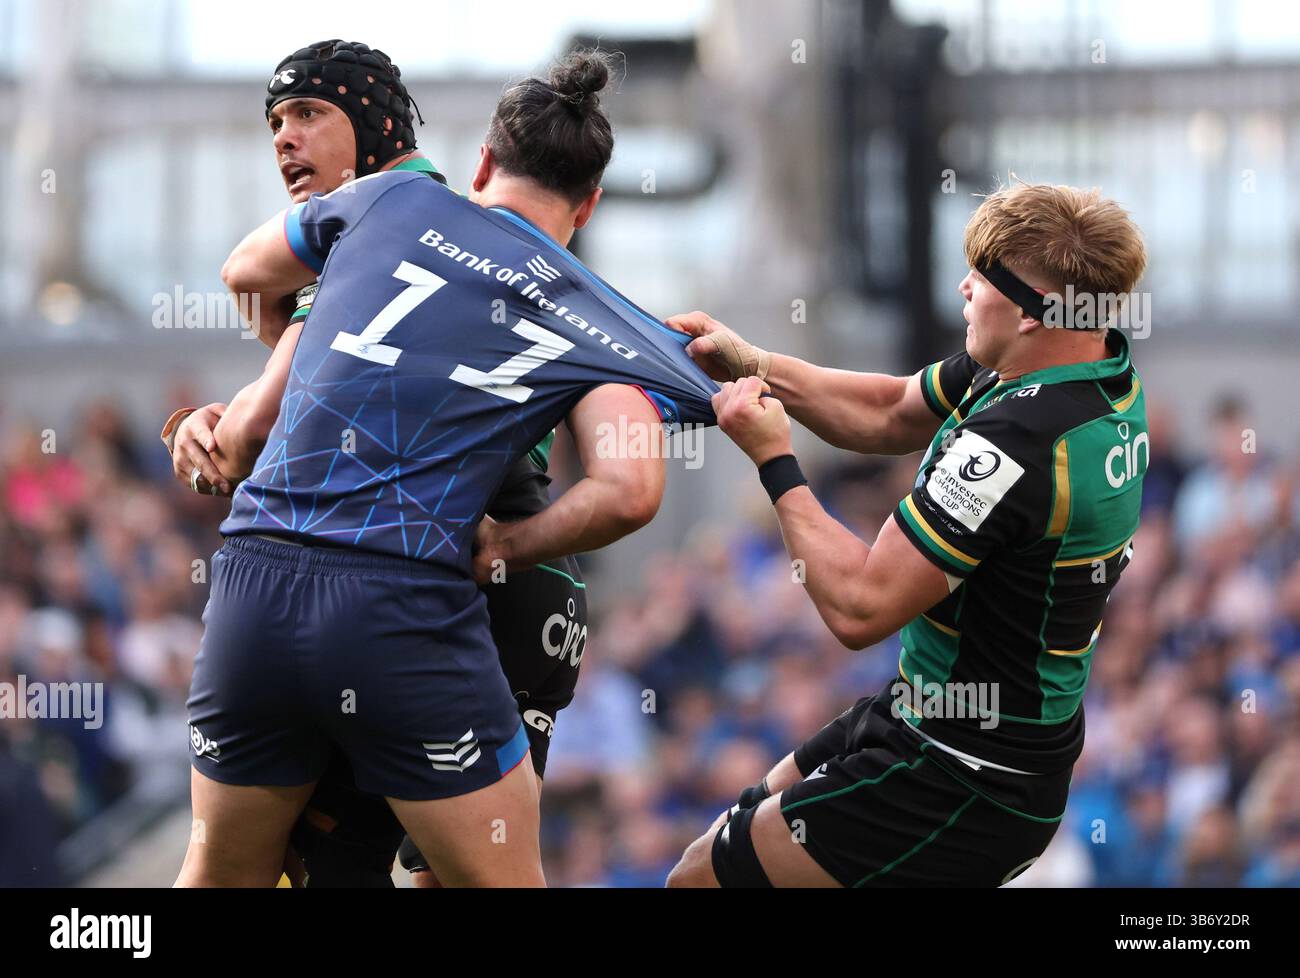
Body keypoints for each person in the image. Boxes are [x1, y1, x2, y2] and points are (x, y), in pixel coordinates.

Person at [172, 46, 717, 887]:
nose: (287, 139)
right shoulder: (599, 315)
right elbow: (631, 489)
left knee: (227, 875)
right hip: (430, 595)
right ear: (592, 200)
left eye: (306, 116)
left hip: (256, 579)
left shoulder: (388, 207)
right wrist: (507, 544)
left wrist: (284, 365)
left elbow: (245, 279)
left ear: (483, 163)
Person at [665, 181, 1149, 887]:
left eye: (981, 278)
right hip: (933, 714)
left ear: (1034, 313)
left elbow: (858, 607)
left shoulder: (1021, 445)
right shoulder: (1090, 362)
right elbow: (891, 411)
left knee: (700, 881)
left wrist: (774, 460)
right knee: (727, 835)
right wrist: (754, 364)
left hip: (967, 776)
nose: (962, 287)